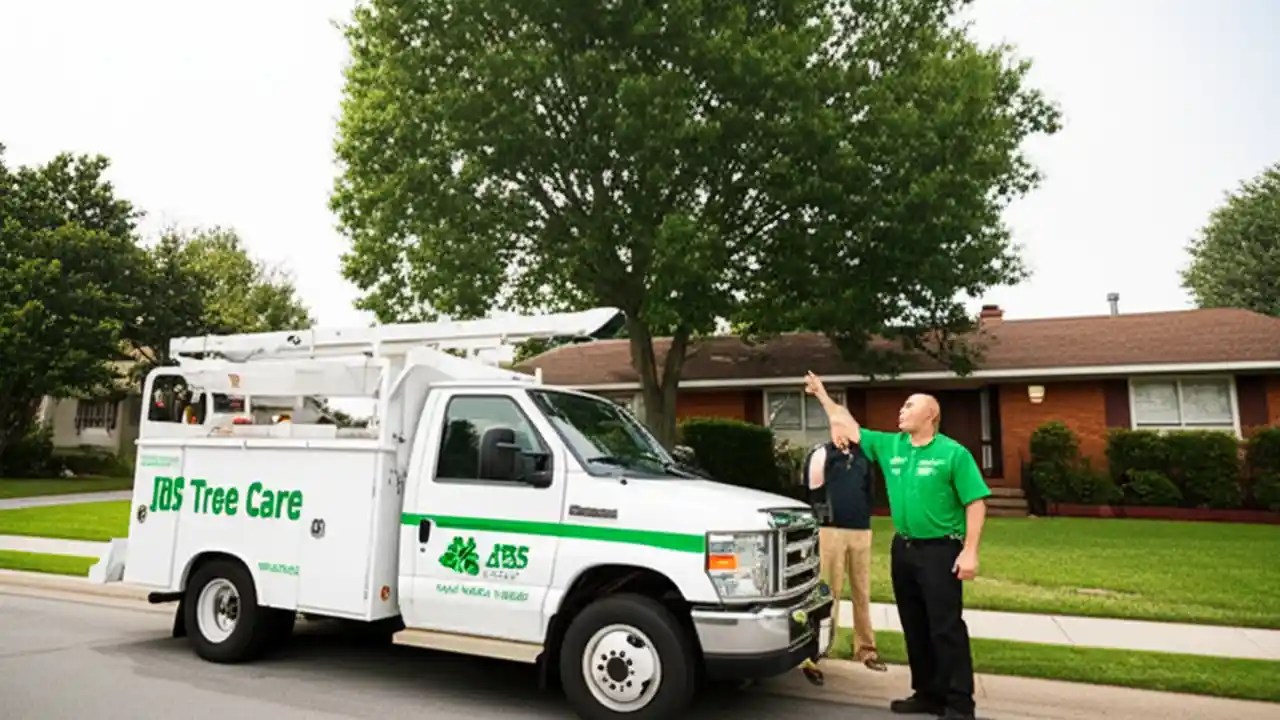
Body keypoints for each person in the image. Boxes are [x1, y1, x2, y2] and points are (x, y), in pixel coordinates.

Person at [805, 371, 990, 720]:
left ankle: (959, 704)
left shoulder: (953, 454)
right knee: (914, 623)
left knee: (945, 627)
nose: (901, 411)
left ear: (930, 415)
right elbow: (845, 422)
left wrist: (970, 551)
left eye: (909, 405)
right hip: (903, 549)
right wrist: (823, 395)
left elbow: (976, 502)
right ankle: (927, 694)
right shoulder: (891, 446)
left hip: (941, 550)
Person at [804, 439, 886, 672]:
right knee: (829, 591)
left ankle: (866, 649)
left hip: (860, 529)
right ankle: (818, 650)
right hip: (831, 530)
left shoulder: (864, 456)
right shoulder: (822, 453)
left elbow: (871, 490)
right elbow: (812, 490)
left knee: (862, 590)